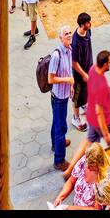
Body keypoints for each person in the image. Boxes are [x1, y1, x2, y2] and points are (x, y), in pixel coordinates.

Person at [46, 25, 74, 172]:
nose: (69, 35)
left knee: (57, 122)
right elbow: (50, 79)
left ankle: (55, 144)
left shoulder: (69, 49)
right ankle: (59, 160)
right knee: (60, 127)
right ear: (60, 37)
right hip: (58, 97)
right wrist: (67, 80)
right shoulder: (57, 55)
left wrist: (71, 85)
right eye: (66, 34)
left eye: (70, 32)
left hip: (64, 95)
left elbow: (69, 70)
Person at [85, 50, 110, 148]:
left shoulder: (93, 69)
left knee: (88, 143)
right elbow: (99, 112)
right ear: (105, 64)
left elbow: (95, 85)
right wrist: (106, 134)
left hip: (91, 117)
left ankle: (76, 162)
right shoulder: (102, 87)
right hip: (104, 121)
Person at [70, 13, 93, 132]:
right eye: (87, 23)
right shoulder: (76, 42)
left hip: (88, 70)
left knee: (86, 91)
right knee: (77, 97)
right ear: (81, 24)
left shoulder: (88, 31)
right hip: (79, 75)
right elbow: (73, 62)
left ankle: (84, 105)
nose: (90, 24)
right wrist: (84, 74)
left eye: (89, 21)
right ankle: (75, 117)